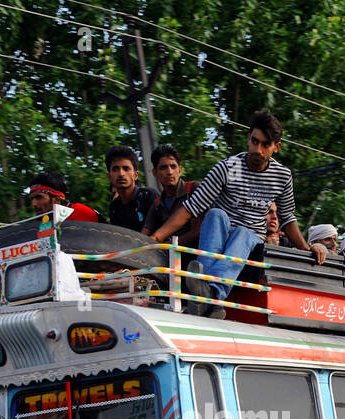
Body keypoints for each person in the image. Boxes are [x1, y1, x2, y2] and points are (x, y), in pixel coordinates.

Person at [147, 109, 323, 319]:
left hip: (250, 243)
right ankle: (210, 297)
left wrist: (305, 248)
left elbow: (287, 218)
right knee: (214, 214)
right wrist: (157, 237)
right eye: (254, 142)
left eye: (265, 144)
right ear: (248, 139)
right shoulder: (227, 167)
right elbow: (192, 207)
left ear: (276, 147)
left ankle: (210, 291)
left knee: (243, 232)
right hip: (219, 238)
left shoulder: (282, 176)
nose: (258, 149)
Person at [141, 144, 200, 247]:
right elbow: (144, 237)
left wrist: (167, 245)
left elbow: (199, 232)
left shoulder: (193, 189)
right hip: (168, 257)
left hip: (196, 257)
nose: (169, 172)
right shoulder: (156, 204)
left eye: (173, 166)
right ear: (155, 173)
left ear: (180, 170)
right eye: (163, 167)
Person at [104, 146, 159, 231]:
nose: (121, 174)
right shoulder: (114, 207)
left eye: (126, 168)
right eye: (115, 169)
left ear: (136, 175)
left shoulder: (149, 196)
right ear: (109, 176)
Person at [26, 172, 100, 221]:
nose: (34, 204)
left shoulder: (80, 212)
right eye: (32, 199)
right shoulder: (43, 224)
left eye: (39, 197)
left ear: (57, 200)